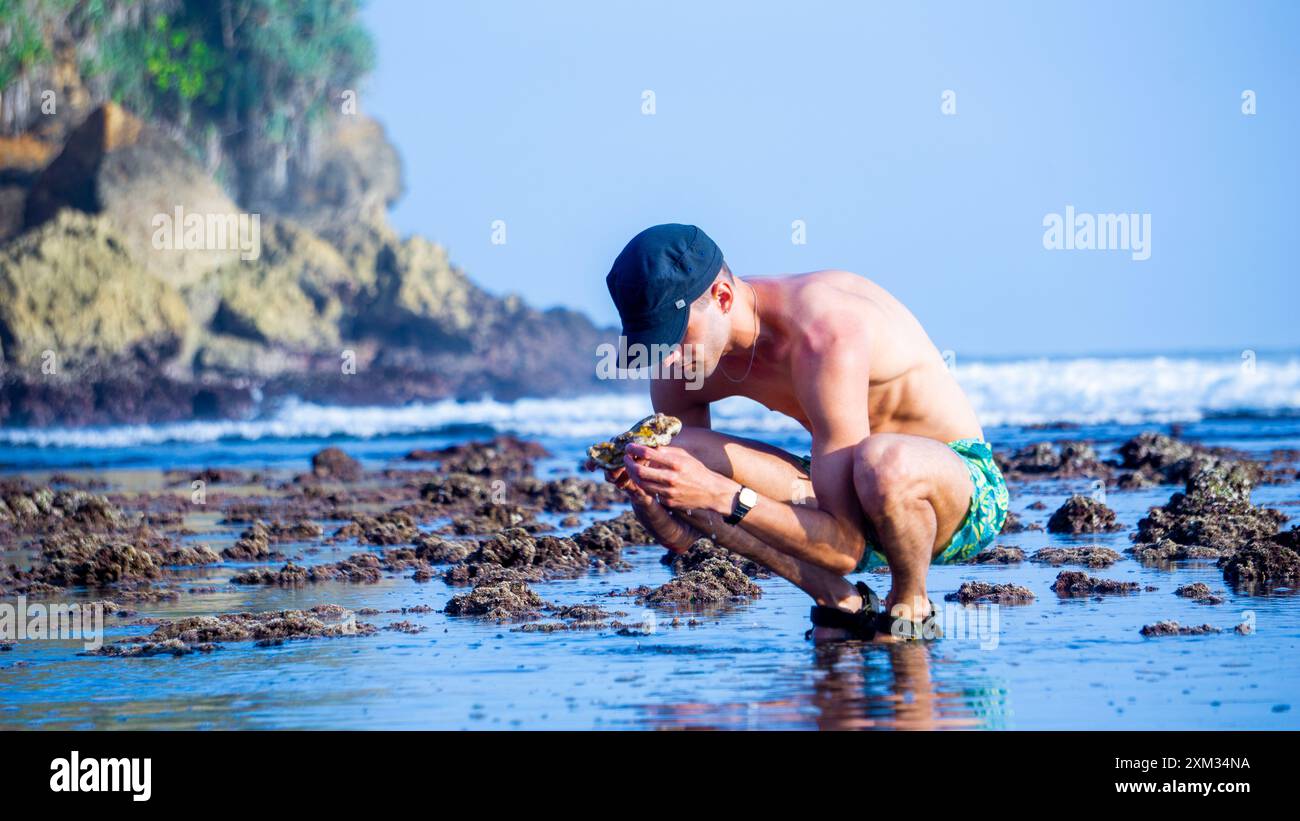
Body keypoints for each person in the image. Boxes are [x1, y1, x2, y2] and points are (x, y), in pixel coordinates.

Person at [594, 224, 1008, 641]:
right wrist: (651, 498)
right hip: (841, 489)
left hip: (950, 499)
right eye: (656, 342)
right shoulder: (679, 365)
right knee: (682, 452)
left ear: (721, 298)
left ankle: (909, 605)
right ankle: (840, 603)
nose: (669, 357)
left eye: (676, 336)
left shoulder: (823, 331)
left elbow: (845, 550)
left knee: (881, 462)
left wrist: (720, 493)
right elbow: (689, 537)